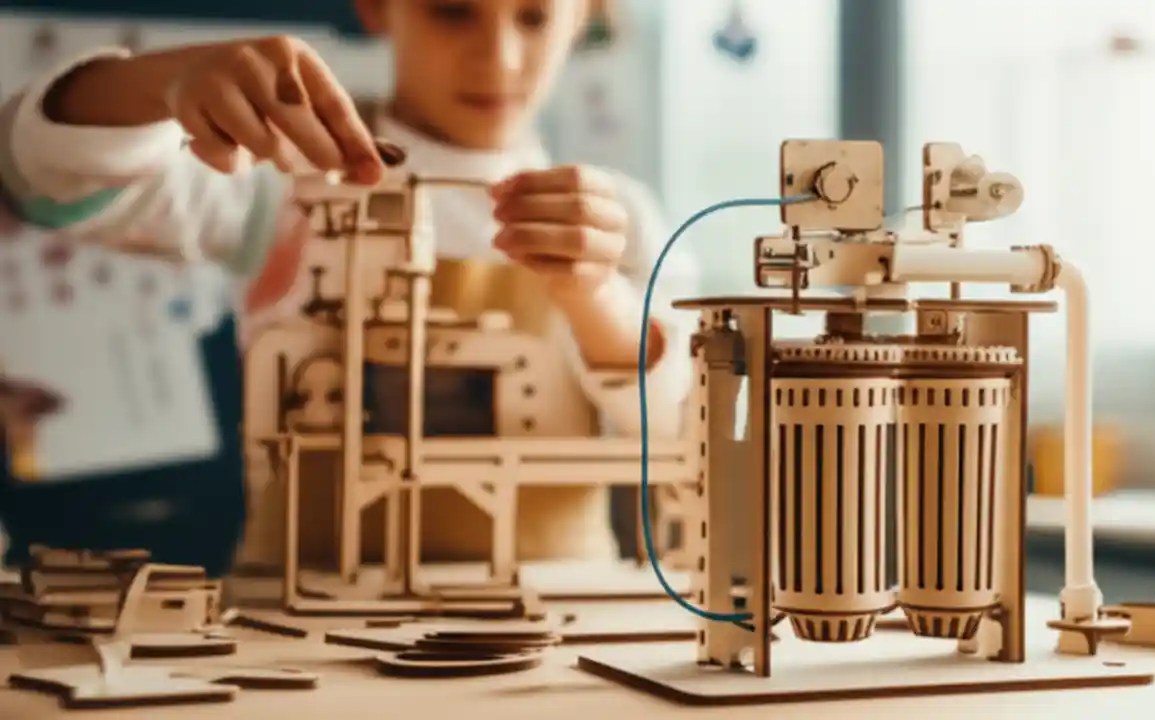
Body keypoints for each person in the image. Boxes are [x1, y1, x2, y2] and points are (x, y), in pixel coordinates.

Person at [0, 0, 696, 573]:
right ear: (377, 9)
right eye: (451, 13)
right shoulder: (283, 185)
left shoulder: (622, 216)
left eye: (535, 17)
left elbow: (686, 427)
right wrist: (160, 82)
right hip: (298, 640)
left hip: (566, 627)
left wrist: (594, 296)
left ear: (586, 15)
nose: (499, 58)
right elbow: (40, 176)